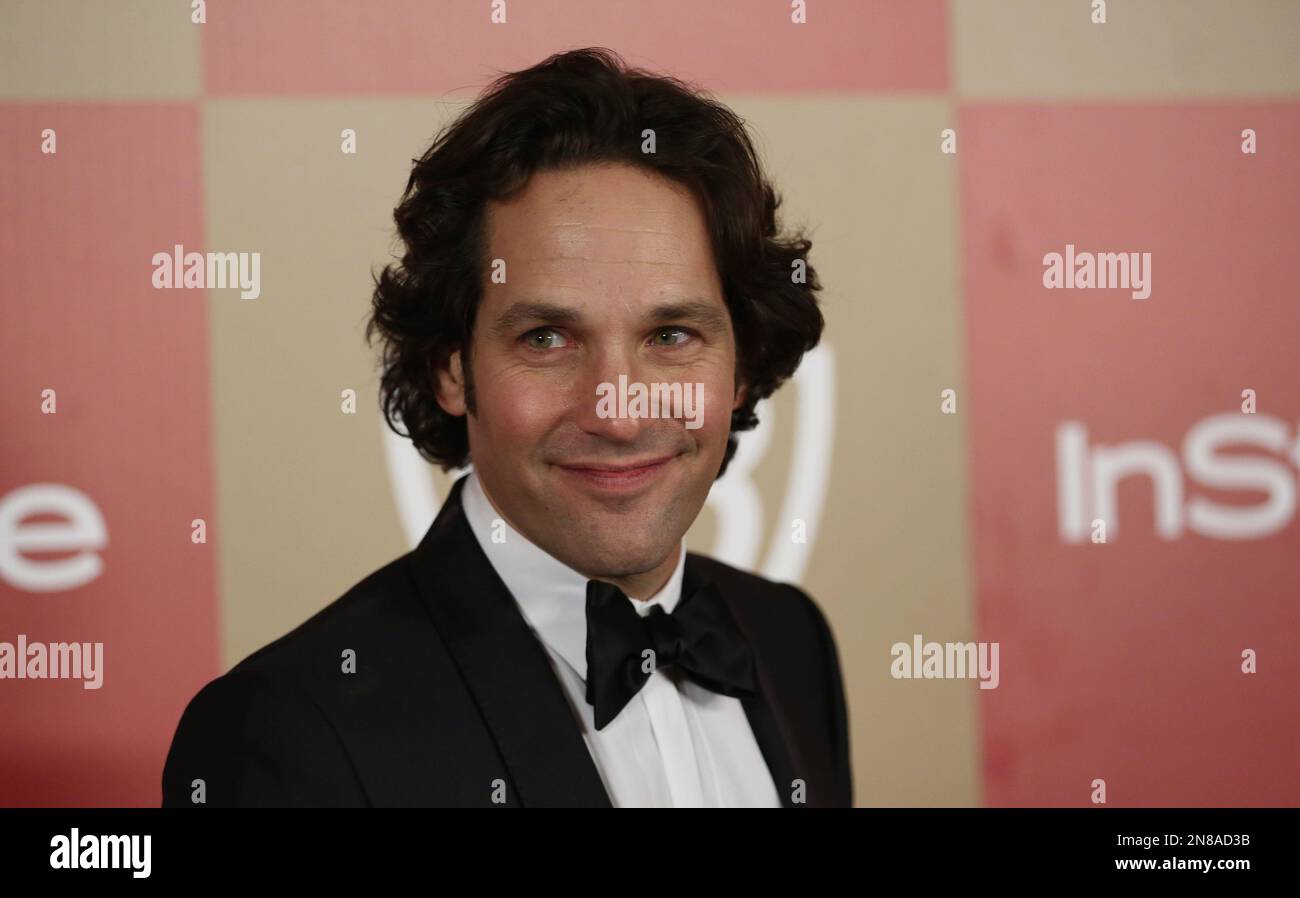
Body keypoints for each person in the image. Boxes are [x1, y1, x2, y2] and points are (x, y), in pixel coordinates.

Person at [162, 47, 850, 807]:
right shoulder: (286, 735)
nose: (619, 414)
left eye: (671, 336)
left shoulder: (789, 640)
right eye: (547, 339)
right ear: (451, 369)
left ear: (742, 364)